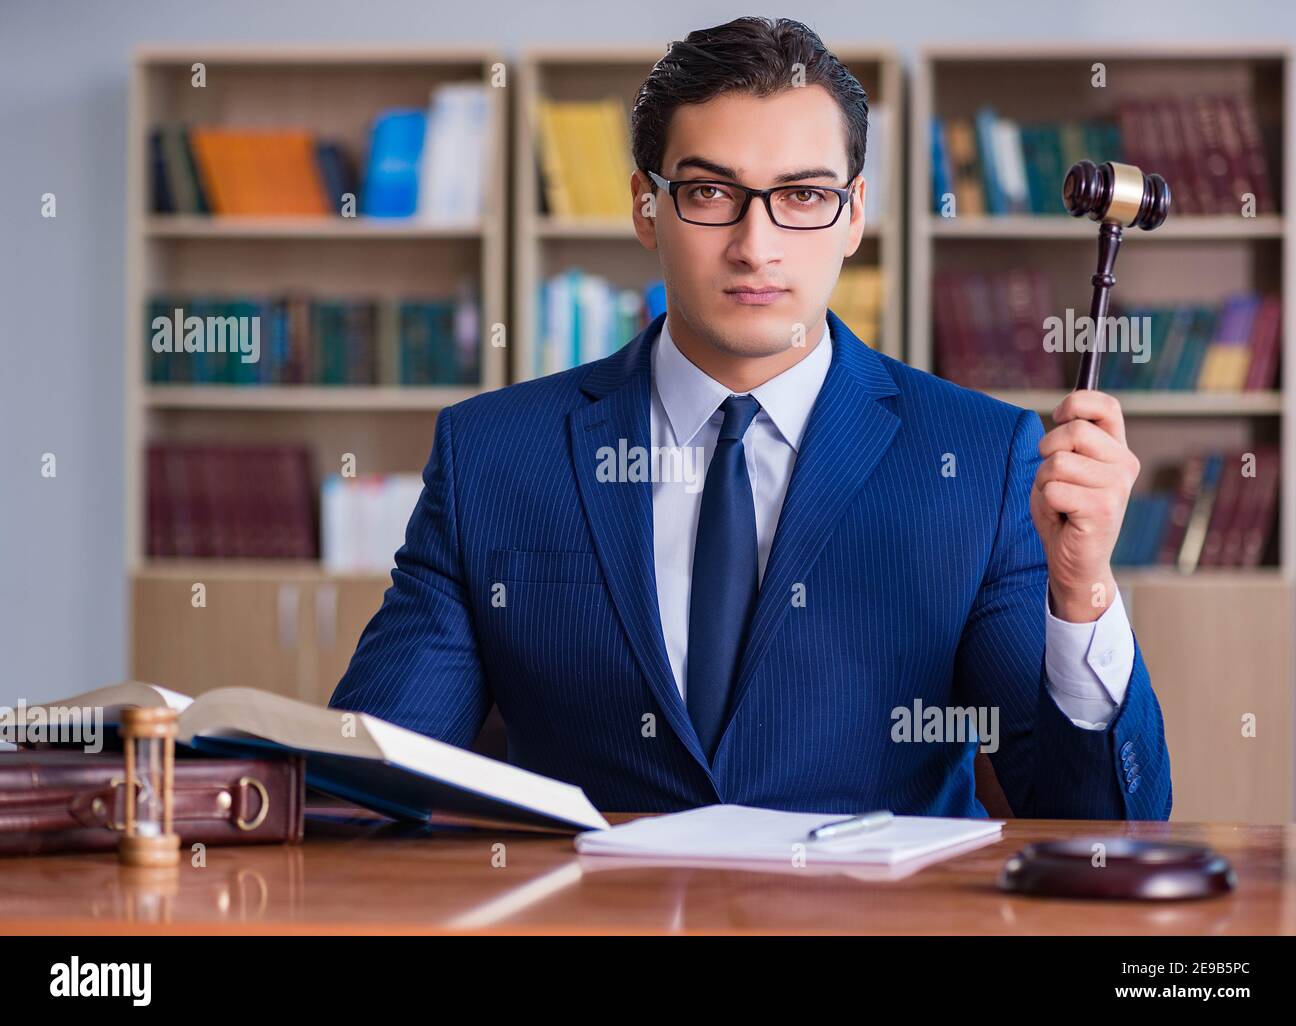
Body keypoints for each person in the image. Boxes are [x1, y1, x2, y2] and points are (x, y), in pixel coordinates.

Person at [330, 16, 1171, 818]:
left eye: (803, 196)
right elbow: (366, 783)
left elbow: (1093, 820)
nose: (755, 245)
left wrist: (1082, 594)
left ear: (854, 216)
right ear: (644, 206)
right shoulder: (494, 455)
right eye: (708, 192)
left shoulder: (982, 462)